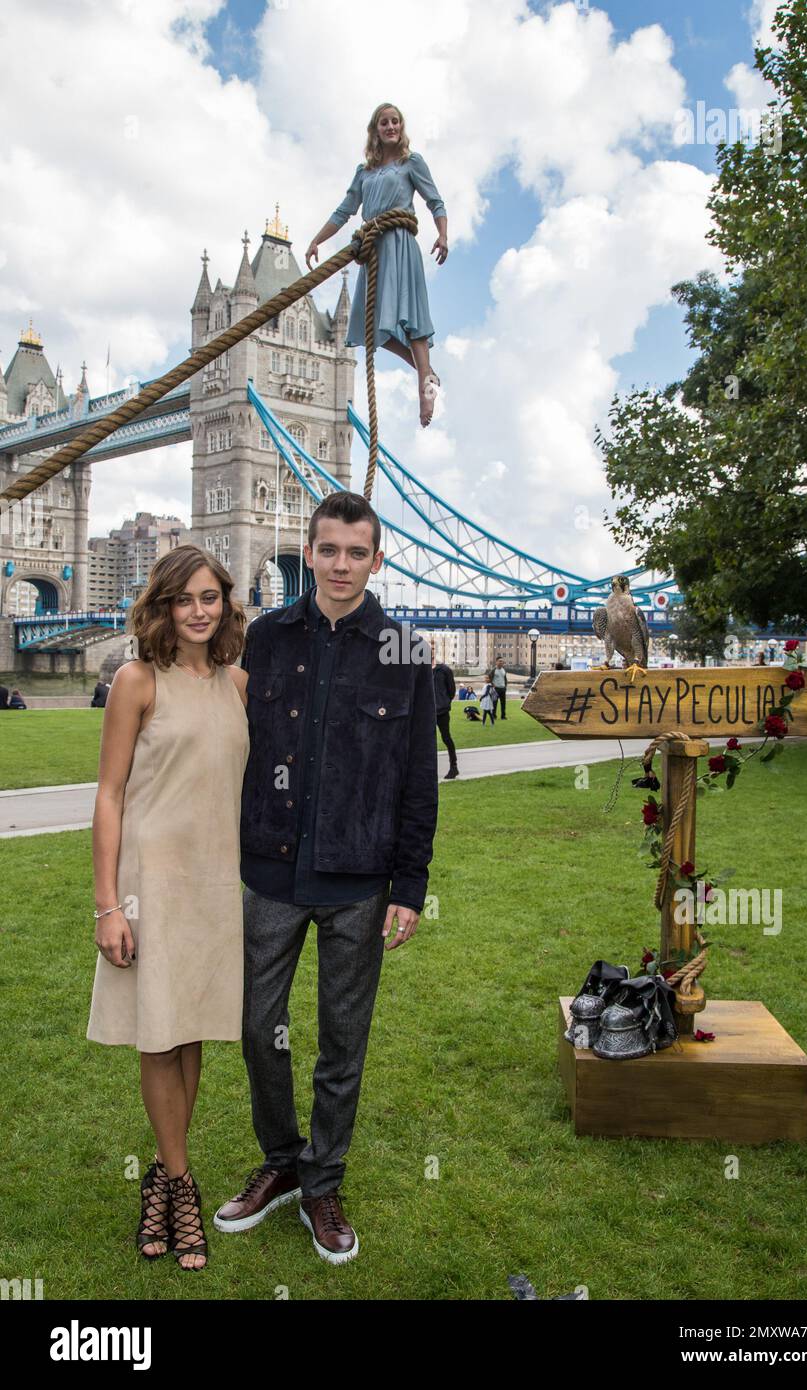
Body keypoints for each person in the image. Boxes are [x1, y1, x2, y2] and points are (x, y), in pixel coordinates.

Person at [215, 491, 438, 1265]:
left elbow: (419, 780)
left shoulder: (405, 650)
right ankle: (280, 1161)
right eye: (329, 550)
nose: (341, 565)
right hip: (270, 872)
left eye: (357, 552)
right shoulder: (265, 639)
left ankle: (323, 1182)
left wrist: (410, 885)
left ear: (378, 560)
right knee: (255, 1026)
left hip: (359, 881)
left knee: (343, 1042)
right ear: (307, 554)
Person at [86, 546, 249, 1270]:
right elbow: (110, 795)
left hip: (216, 880)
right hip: (148, 880)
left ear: (225, 605)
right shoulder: (136, 681)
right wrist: (106, 906)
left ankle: (162, 1173)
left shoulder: (239, 683)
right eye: (184, 599)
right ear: (163, 605)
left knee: (191, 1031)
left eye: (210, 597)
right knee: (157, 1033)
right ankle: (181, 1187)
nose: (198, 611)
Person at [305, 102, 448, 428]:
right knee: (372, 331)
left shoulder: (412, 163)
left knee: (411, 316)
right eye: (384, 122)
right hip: (375, 250)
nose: (391, 127)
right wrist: (317, 239)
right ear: (376, 129)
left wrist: (442, 234)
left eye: (395, 121)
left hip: (399, 242)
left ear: (401, 127)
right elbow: (344, 211)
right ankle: (425, 371)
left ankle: (423, 387)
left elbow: (434, 201)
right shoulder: (364, 172)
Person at [431, 641, 458, 780]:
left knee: (446, 738)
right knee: (427, 742)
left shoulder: (444, 670)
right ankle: (428, 770)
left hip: (441, 711)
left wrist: (444, 702)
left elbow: (452, 691)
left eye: (432, 649)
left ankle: (454, 767)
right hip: (426, 713)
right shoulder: (420, 669)